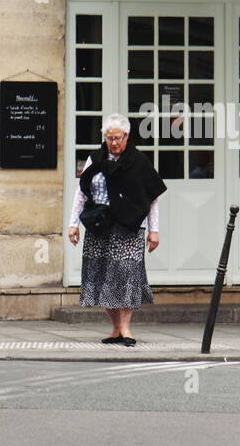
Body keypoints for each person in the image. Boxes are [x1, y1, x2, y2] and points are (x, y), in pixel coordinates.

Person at [67, 114, 166, 346]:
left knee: (126, 275)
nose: (113, 143)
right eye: (109, 138)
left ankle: (126, 329)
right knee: (103, 275)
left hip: (129, 227)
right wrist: (73, 224)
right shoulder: (95, 159)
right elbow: (81, 192)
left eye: (117, 138)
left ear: (127, 137)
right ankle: (114, 329)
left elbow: (151, 199)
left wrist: (155, 230)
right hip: (100, 226)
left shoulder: (139, 162)